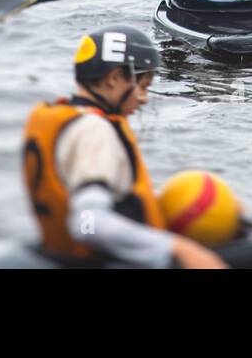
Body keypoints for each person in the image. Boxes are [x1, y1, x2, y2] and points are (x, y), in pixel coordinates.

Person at [22, 26, 227, 268]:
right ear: (115, 79)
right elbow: (87, 224)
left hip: (59, 254)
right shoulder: (94, 131)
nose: (144, 99)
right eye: (143, 86)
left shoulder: (65, 117)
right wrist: (178, 248)